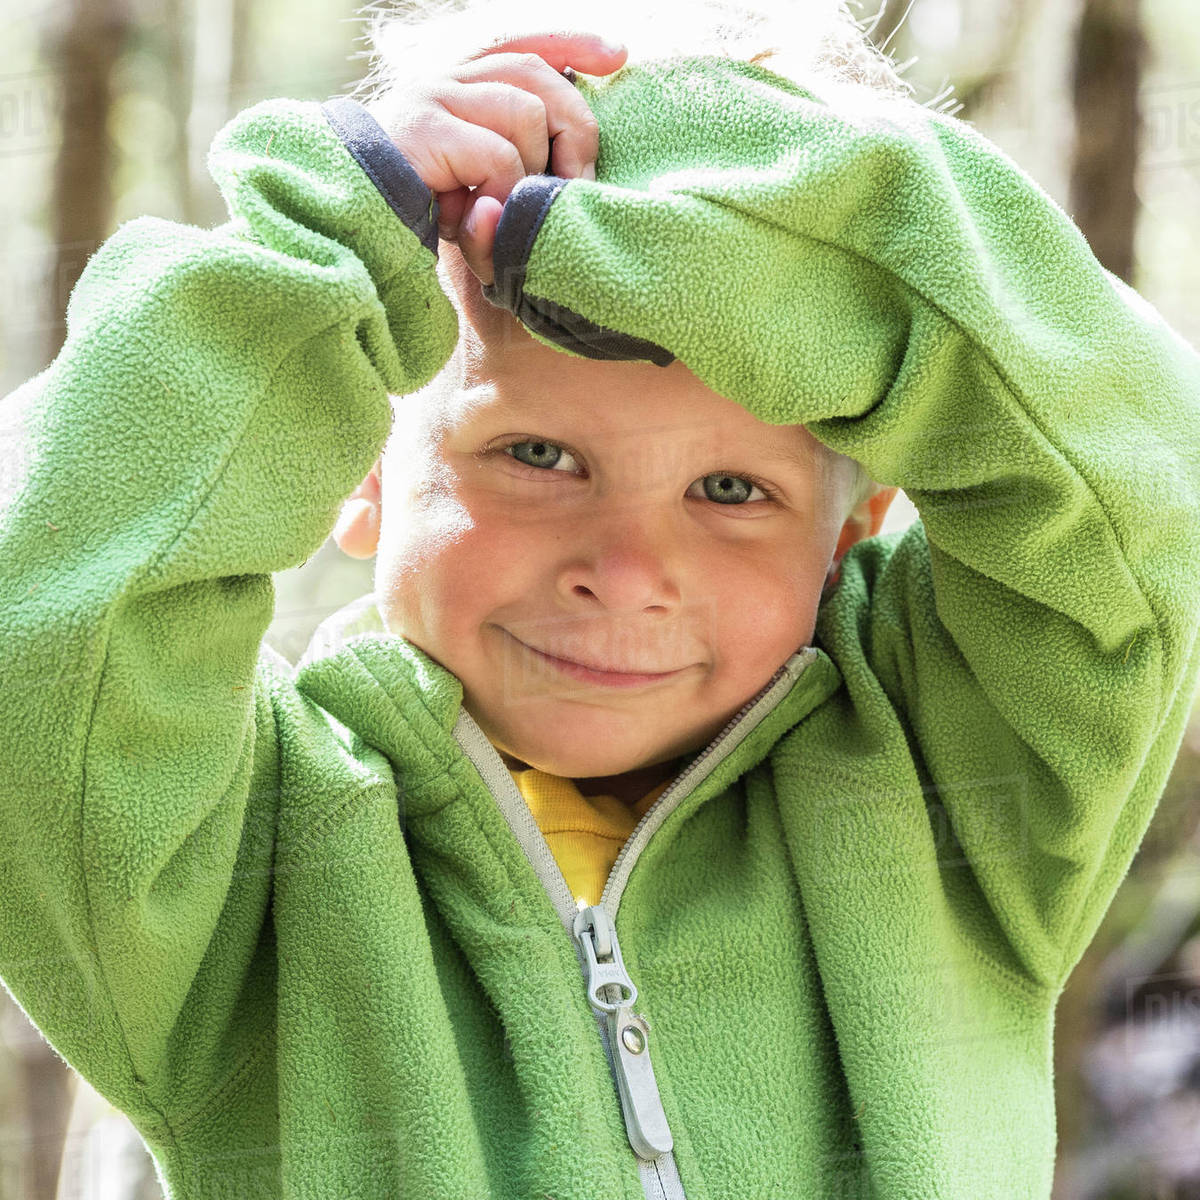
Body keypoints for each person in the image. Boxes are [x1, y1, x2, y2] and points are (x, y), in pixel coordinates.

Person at [1, 1, 1198, 1197]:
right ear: (359, 473)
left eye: (732, 488)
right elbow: (44, 622)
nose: (625, 571)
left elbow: (1140, 499)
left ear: (850, 533)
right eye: (535, 457)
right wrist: (344, 214)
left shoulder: (954, 785)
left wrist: (791, 211)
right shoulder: (231, 860)